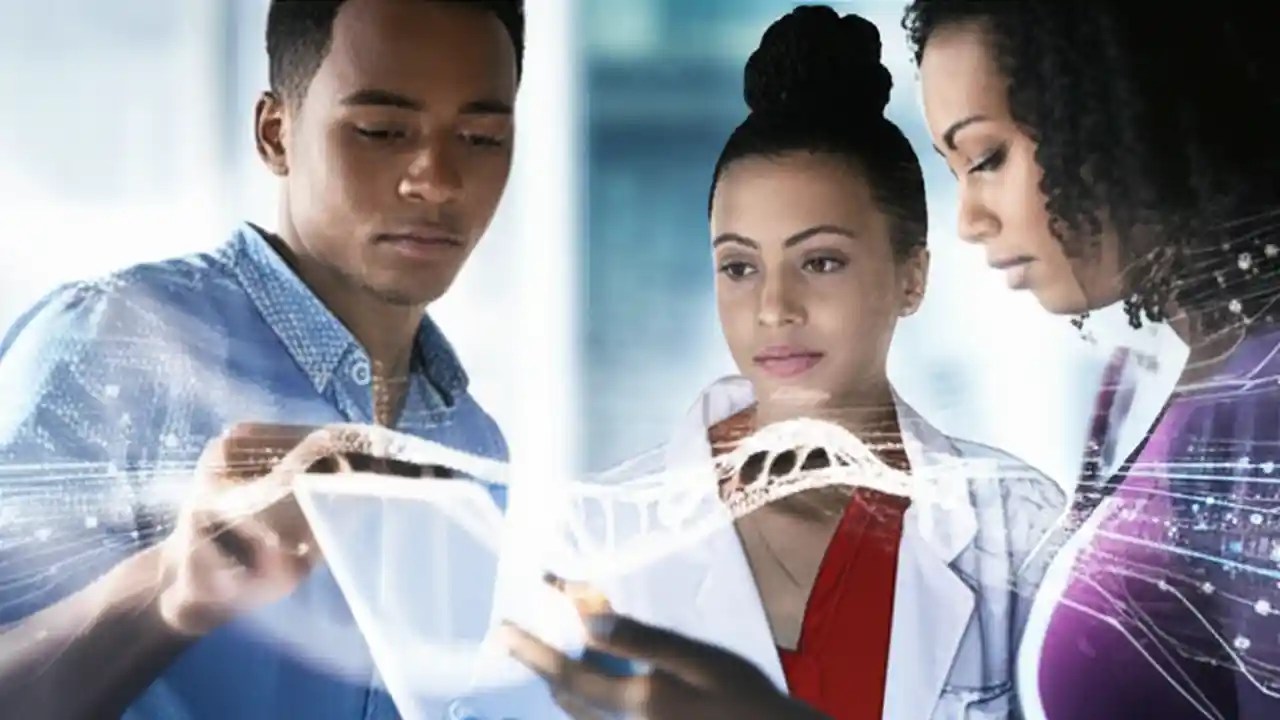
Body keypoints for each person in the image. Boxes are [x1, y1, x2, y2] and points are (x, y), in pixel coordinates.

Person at [495, 7, 1065, 720]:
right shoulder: (596, 537)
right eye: (739, 267)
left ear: (912, 278)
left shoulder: (1018, 529)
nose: (774, 308)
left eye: (820, 261)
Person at [0, 1, 522, 718]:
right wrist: (173, 589)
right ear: (276, 134)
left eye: (481, 138)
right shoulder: (118, 346)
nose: (437, 180)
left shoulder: (473, 445)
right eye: (381, 131)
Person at [905, 1, 1280, 718]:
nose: (970, 220)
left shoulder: (1262, 407)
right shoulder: (1137, 387)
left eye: (986, 158)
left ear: (1119, 108)